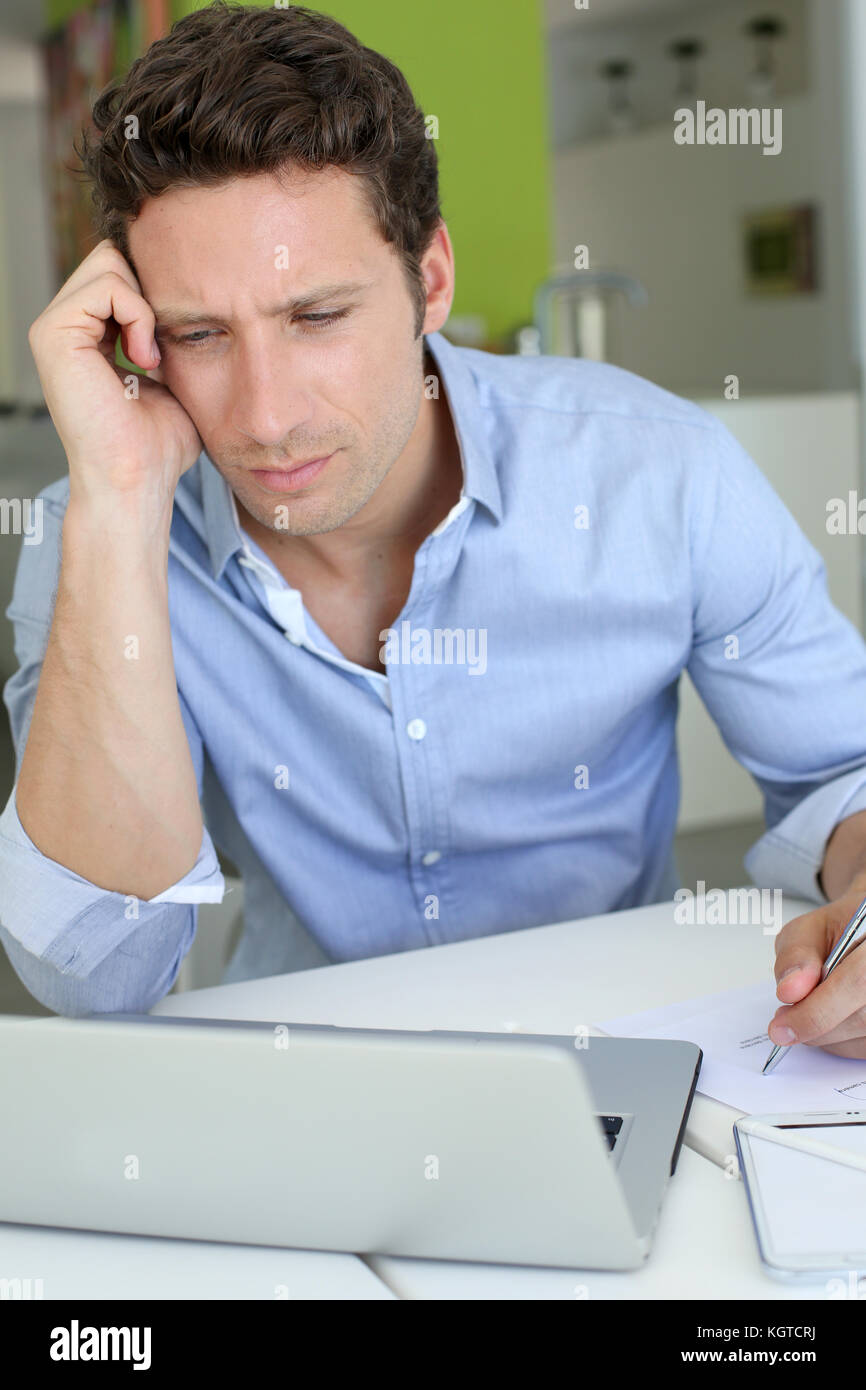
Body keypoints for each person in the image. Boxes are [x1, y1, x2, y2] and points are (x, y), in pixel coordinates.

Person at [3, 3, 866, 1055]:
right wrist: (118, 506)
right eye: (199, 333)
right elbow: (96, 974)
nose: (266, 416)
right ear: (141, 337)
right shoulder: (97, 525)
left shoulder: (658, 471)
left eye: (315, 316)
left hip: (619, 1048)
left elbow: (840, 772)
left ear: (432, 279)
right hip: (300, 1068)